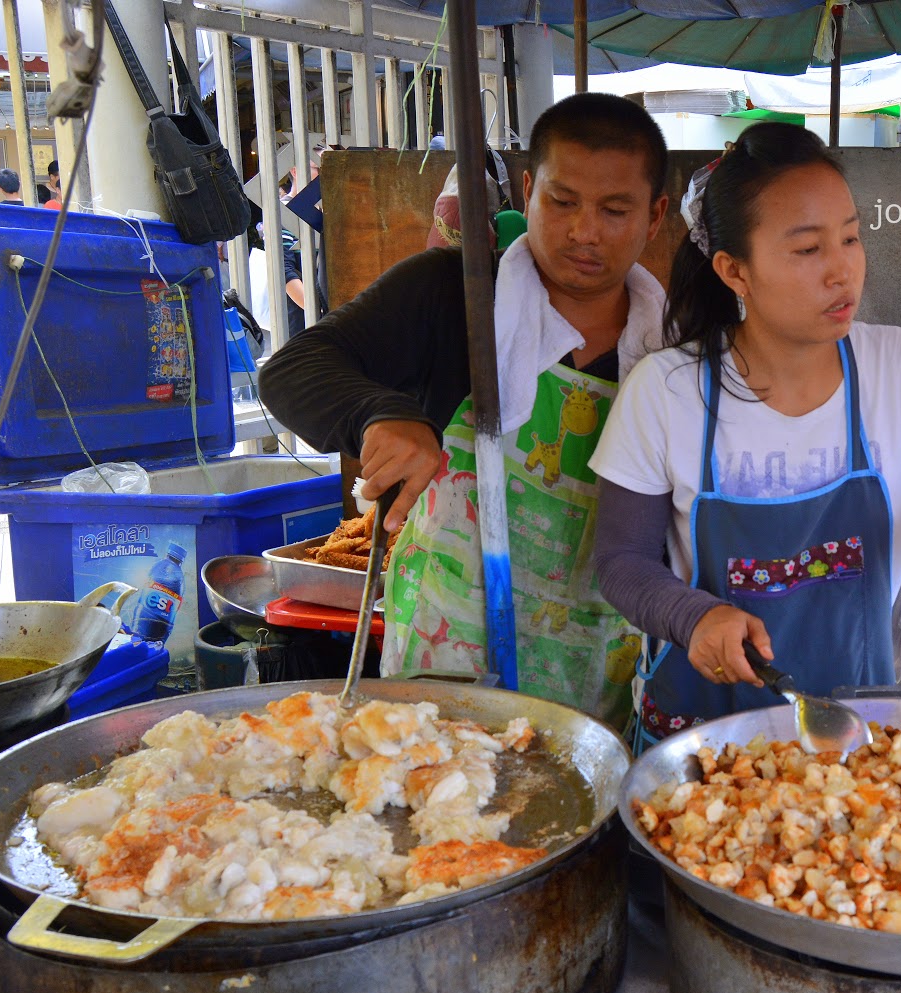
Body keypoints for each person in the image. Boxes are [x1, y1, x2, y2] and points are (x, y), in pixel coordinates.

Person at [588, 123, 901, 740]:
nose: (842, 271)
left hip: (856, 729)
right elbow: (622, 560)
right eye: (808, 250)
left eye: (851, 239)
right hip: (704, 739)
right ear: (734, 270)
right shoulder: (666, 390)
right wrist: (693, 616)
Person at [261, 94, 670, 729]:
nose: (584, 231)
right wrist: (379, 413)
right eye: (562, 202)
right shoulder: (449, 296)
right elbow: (291, 370)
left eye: (615, 210)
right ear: (528, 190)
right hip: (444, 664)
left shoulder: (676, 350)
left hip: (598, 669)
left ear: (656, 215)